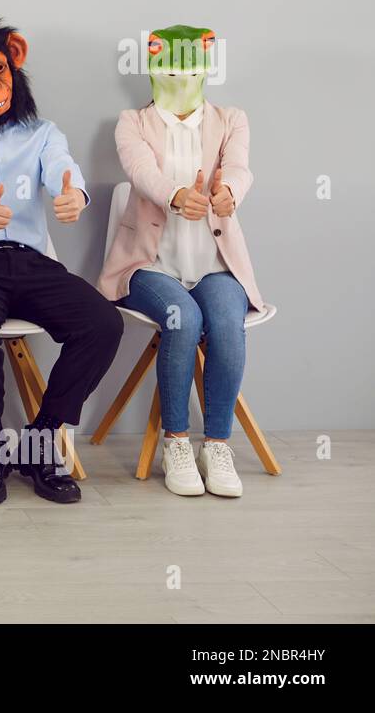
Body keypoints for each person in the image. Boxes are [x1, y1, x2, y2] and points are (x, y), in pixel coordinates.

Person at [0, 13, 122, 507]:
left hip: (31, 263)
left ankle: (41, 439)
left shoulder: (43, 131)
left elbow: (61, 166)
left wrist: (74, 195)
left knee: (103, 322)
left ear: (15, 65)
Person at [99, 25, 262, 498]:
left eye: (189, 69)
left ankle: (216, 445)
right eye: (170, 68)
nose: (180, 78)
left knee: (227, 321)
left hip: (214, 264)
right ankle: (175, 441)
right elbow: (140, 172)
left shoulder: (231, 119)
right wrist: (175, 196)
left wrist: (229, 191)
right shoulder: (132, 122)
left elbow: (239, 165)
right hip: (150, 266)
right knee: (183, 318)